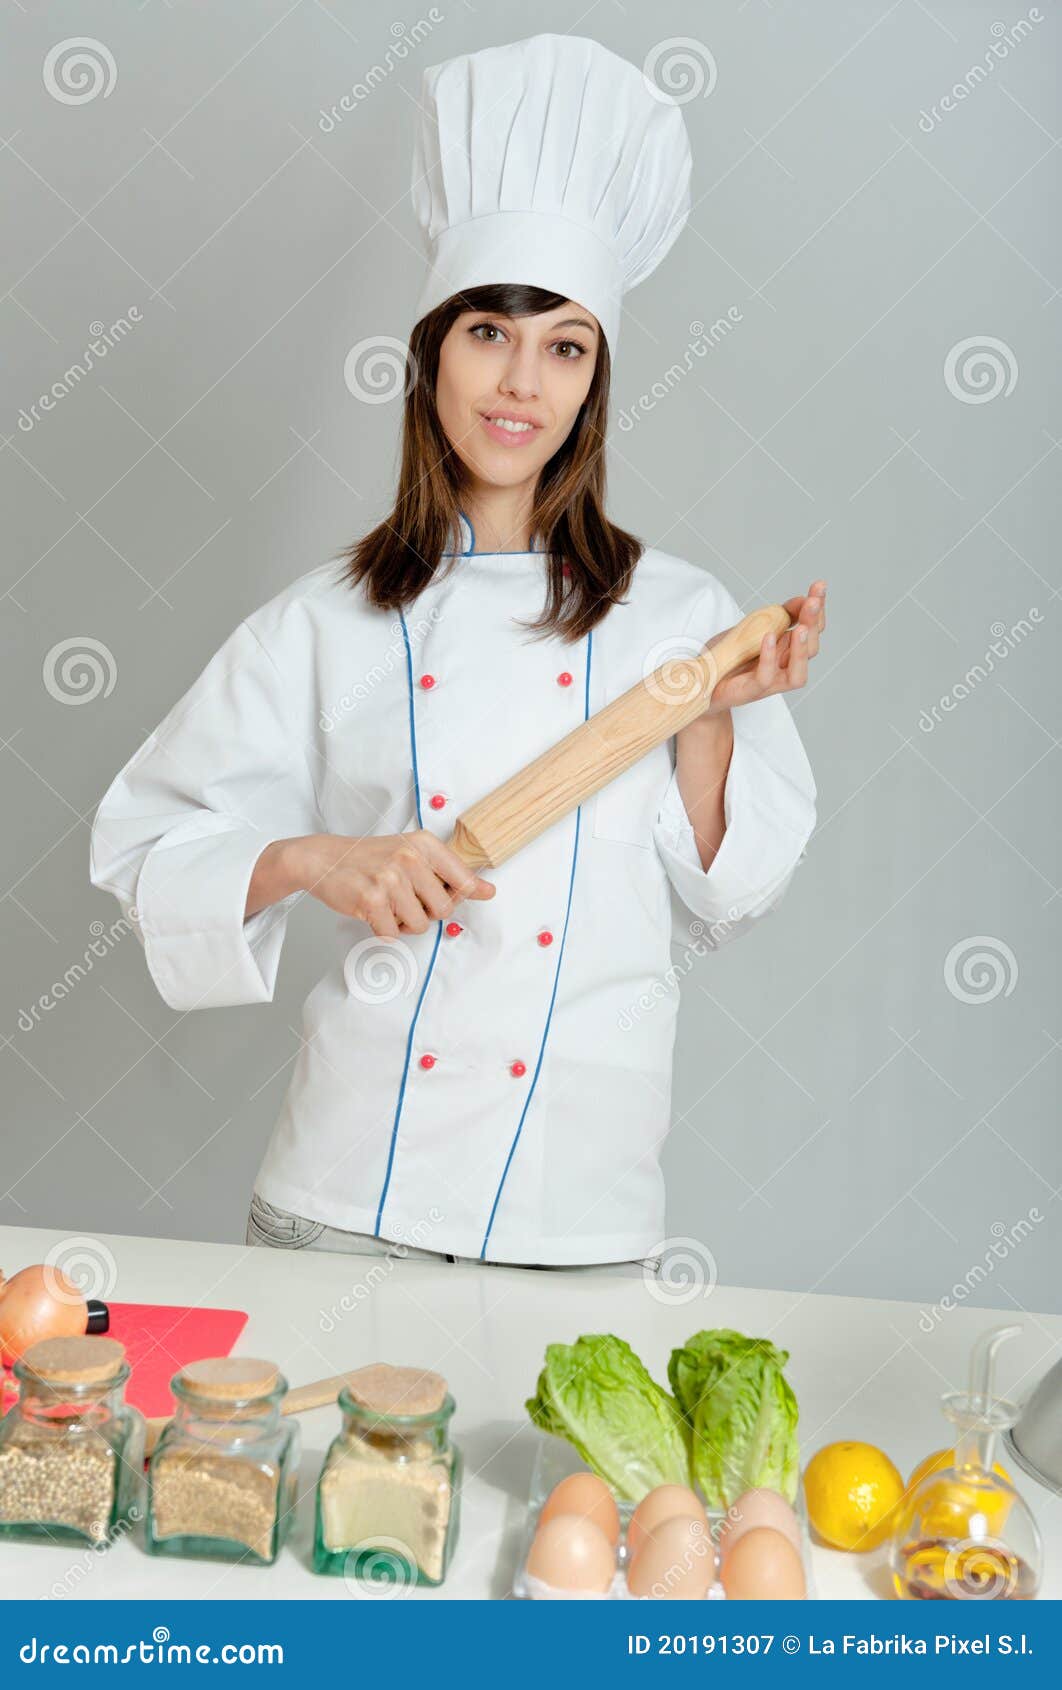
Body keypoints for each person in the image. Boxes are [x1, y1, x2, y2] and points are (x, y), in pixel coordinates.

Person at [89, 34, 824, 1274]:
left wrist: (707, 712)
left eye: (566, 347)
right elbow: (145, 849)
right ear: (432, 350)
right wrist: (321, 860)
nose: (521, 384)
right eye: (490, 332)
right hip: (347, 1202)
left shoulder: (683, 620)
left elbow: (729, 895)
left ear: (594, 383)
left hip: (581, 1214)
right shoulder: (327, 620)